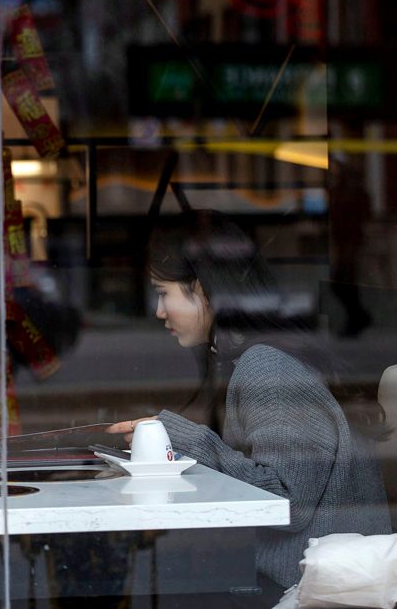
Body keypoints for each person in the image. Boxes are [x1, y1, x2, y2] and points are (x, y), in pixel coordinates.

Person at [108, 210, 391, 591]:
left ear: (204, 289)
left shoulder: (265, 366)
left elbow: (285, 499)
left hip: (305, 590)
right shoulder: (258, 355)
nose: (159, 312)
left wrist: (184, 439)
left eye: (164, 293)